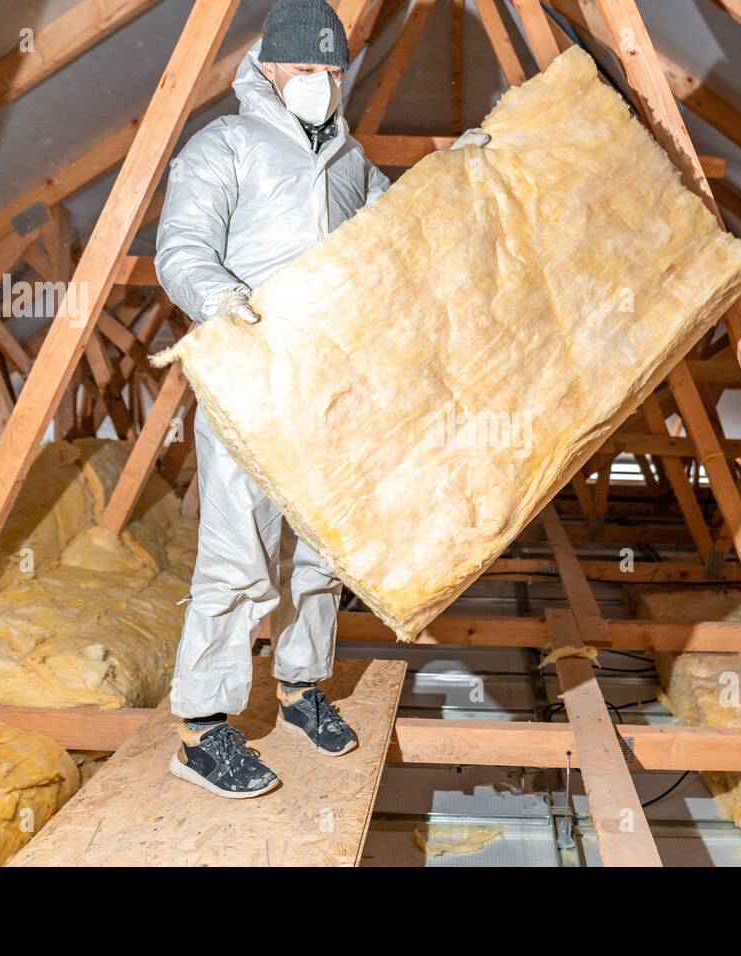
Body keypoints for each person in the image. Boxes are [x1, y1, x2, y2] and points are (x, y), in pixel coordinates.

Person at [155, 0, 486, 798]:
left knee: (321, 553)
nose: (323, 85)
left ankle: (303, 690)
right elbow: (181, 249)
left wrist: (457, 171)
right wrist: (221, 297)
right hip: (252, 382)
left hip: (329, 394)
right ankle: (204, 729)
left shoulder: (350, 164)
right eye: (309, 69)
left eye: (334, 73)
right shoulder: (224, 146)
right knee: (238, 558)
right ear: (271, 67)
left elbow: (397, 229)